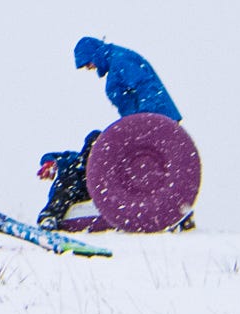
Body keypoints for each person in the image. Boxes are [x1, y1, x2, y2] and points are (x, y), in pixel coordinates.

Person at [38, 35, 182, 229]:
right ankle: (178, 213)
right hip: (143, 124)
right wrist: (51, 162)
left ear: (93, 54)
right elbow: (66, 158)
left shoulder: (121, 60)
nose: (89, 67)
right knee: (153, 169)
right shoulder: (115, 64)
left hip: (152, 122)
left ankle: (174, 212)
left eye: (87, 62)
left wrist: (146, 124)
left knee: (152, 168)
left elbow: (146, 88)